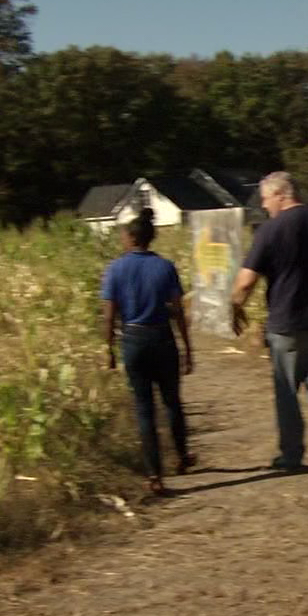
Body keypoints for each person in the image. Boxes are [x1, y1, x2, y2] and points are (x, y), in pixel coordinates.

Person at [231, 171, 308, 487]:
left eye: (266, 199)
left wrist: (235, 307)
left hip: (286, 326)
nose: (265, 206)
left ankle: (291, 455)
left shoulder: (270, 231)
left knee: (287, 393)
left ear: (281, 195)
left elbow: (246, 281)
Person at [102, 208, 197, 495]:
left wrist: (107, 349)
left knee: (144, 409)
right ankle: (181, 457)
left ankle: (154, 474)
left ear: (131, 237)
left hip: (133, 339)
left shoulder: (115, 269)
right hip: (162, 339)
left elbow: (109, 315)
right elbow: (179, 311)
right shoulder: (165, 267)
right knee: (172, 402)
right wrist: (187, 348)